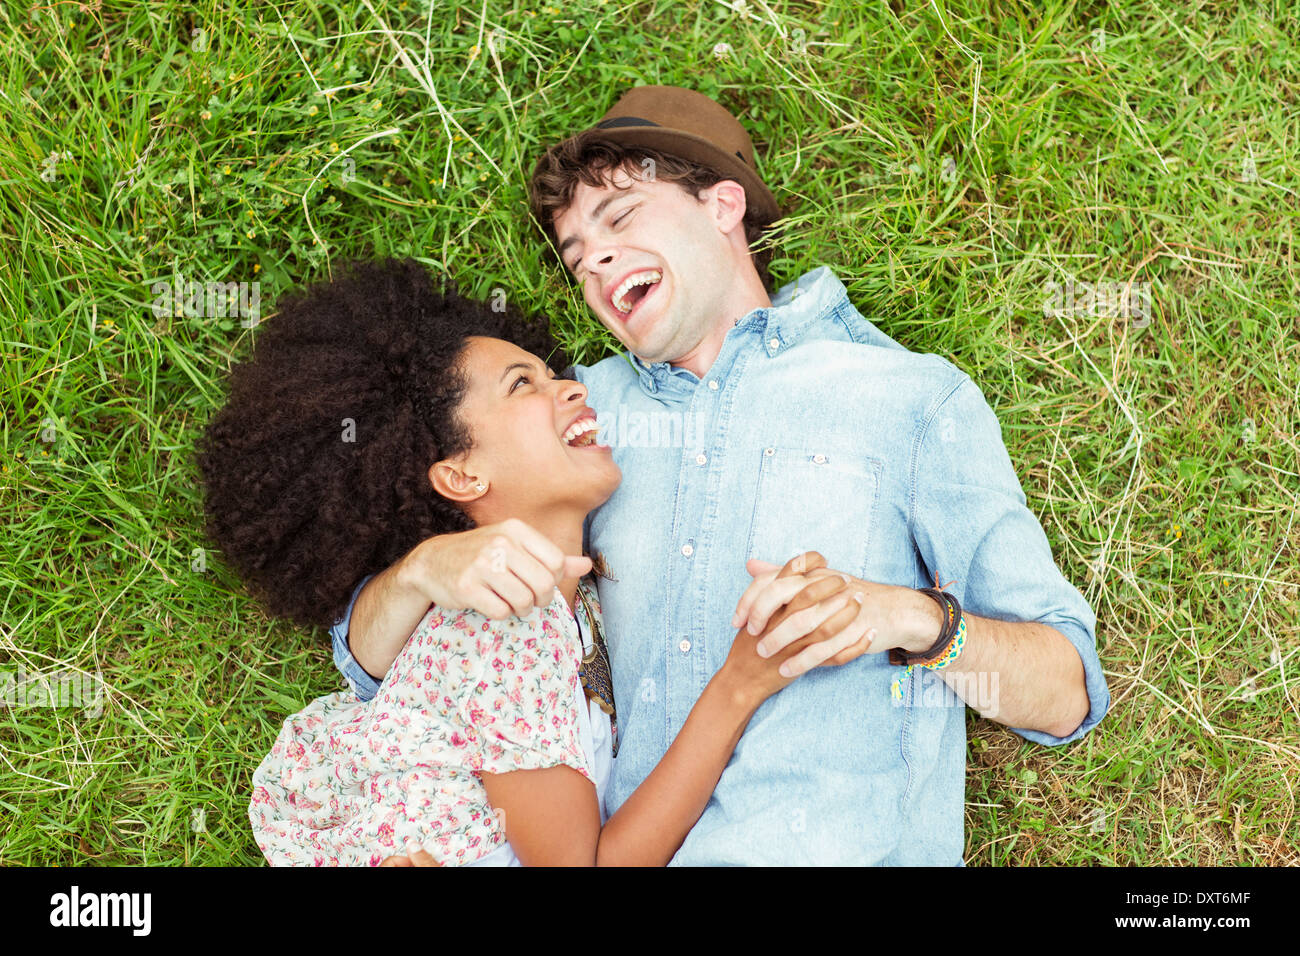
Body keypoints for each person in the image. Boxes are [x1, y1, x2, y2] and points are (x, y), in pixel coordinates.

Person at [333, 87, 1112, 865]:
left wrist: (915, 622)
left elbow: (1065, 694)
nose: (594, 259)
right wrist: (423, 571)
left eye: (621, 216)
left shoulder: (906, 397)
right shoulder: (580, 418)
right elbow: (381, 670)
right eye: (576, 257)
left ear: (722, 204)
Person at [197, 259, 862, 865]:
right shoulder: (508, 630)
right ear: (462, 477)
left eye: (552, 375)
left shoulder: (571, 597)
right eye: (524, 385)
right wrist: (740, 684)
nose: (572, 392)